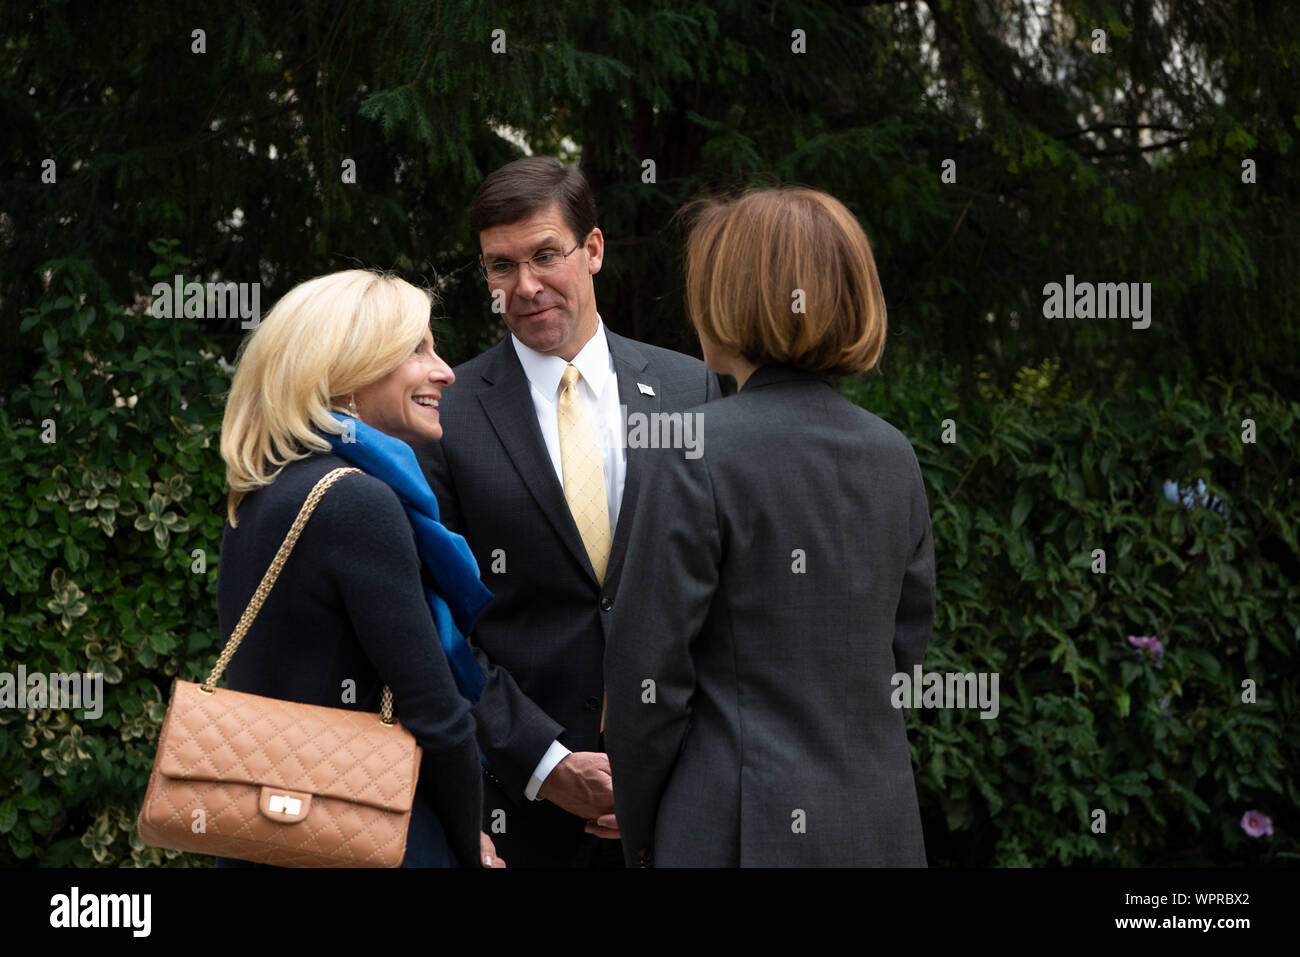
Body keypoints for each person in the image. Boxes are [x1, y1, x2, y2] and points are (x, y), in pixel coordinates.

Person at [603, 187, 935, 867]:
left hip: (729, 834)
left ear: (731, 300)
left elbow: (648, 686)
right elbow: (902, 659)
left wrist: (643, 831)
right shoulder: (894, 456)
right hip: (879, 829)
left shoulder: (691, 448)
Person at [417, 157, 720, 867]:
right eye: (502, 266)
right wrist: (545, 763)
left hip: (679, 802)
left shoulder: (691, 390)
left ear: (593, 250)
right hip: (518, 812)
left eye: (546, 255)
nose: (525, 286)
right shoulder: (447, 416)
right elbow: (436, 621)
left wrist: (673, 759)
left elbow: (722, 595)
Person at [216, 269, 504, 868]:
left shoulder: (267, 489)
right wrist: (465, 844)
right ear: (346, 371)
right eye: (416, 350)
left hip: (271, 831)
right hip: (366, 834)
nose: (445, 371)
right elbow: (439, 718)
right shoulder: (355, 500)